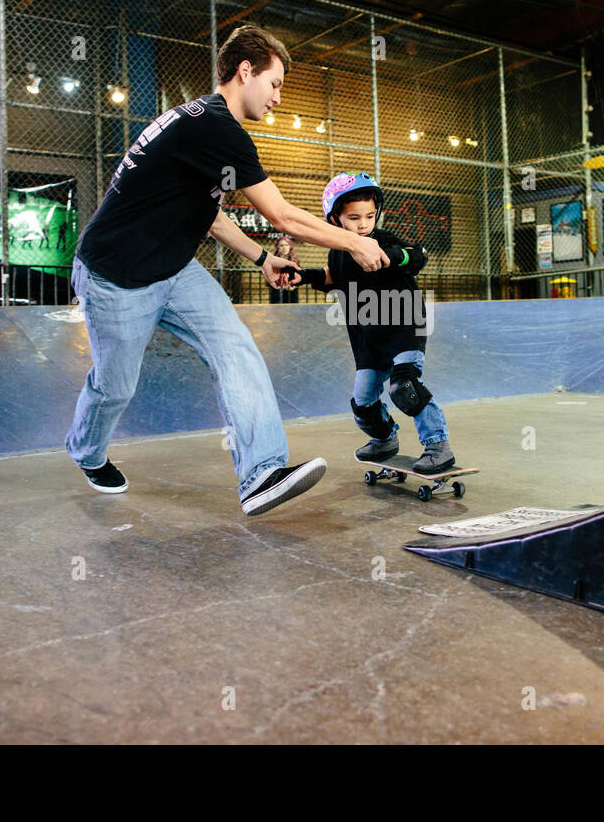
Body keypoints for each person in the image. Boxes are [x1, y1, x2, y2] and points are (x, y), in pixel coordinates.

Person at [66, 25, 389, 514]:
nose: (278, 97)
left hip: (175, 268)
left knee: (234, 346)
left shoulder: (203, 128)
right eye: (275, 83)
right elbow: (280, 215)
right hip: (117, 275)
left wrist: (261, 258)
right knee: (116, 385)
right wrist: (352, 242)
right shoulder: (215, 126)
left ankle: (260, 473)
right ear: (245, 72)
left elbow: (210, 211)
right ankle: (86, 451)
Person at [292, 172, 456, 474]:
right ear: (335, 219)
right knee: (363, 402)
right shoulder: (338, 252)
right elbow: (332, 277)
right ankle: (384, 439)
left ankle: (437, 445)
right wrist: (303, 276)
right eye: (353, 218)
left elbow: (418, 256)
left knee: (403, 386)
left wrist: (391, 255)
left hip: (404, 325)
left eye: (369, 216)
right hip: (369, 337)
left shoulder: (383, 240)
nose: (363, 223)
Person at [268, 236, 300, 303]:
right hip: (277, 290)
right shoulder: (273, 261)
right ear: (278, 247)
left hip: (291, 291)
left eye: (286, 245)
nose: (284, 248)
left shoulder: (295, 261)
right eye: (281, 245)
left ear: (290, 247)